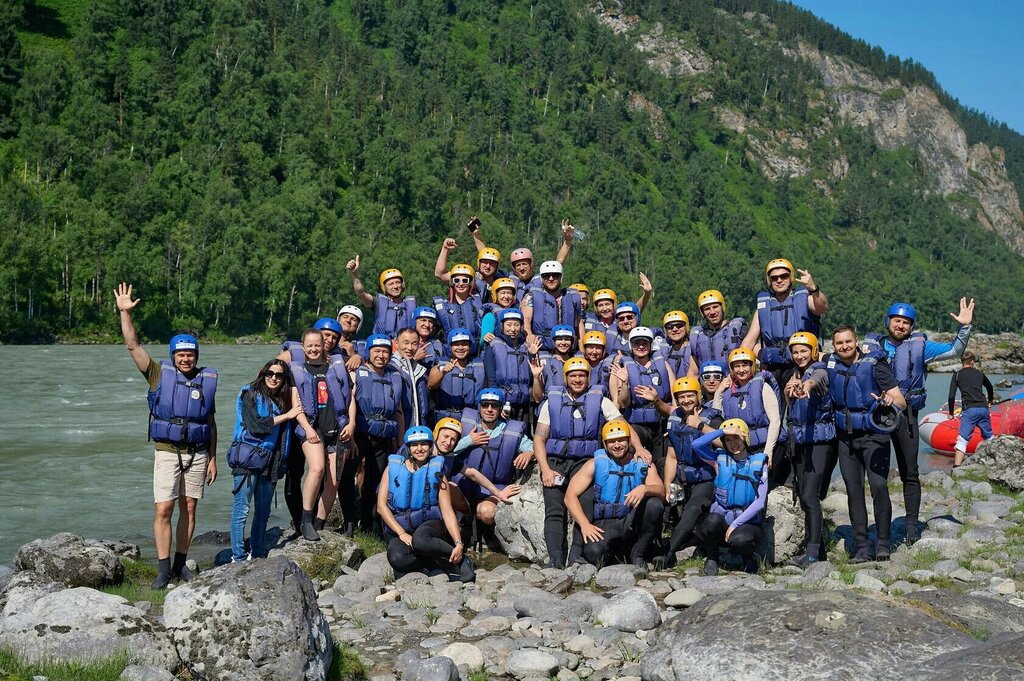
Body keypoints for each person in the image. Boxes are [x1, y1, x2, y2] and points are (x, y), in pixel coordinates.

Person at [115, 282, 218, 588]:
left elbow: (211, 422)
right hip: (167, 450)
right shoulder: (158, 374)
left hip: (198, 452)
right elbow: (133, 346)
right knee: (164, 508)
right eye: (181, 355)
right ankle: (162, 569)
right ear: (173, 356)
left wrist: (213, 458)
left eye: (190, 355)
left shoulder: (206, 380)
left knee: (190, 507)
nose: (186, 359)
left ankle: (180, 564)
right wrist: (124, 313)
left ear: (196, 356)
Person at [866, 298, 974, 543]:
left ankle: (911, 525)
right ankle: (881, 529)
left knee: (910, 471)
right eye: (897, 321)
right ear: (888, 322)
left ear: (911, 326)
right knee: (878, 477)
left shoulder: (921, 347)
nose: (901, 326)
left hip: (907, 416)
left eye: (906, 322)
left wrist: (965, 327)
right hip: (878, 416)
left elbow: (955, 351)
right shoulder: (872, 347)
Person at [533, 357, 651, 567]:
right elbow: (539, 439)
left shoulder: (601, 401)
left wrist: (639, 448)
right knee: (554, 509)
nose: (578, 379)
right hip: (555, 461)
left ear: (588, 377)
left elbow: (623, 426)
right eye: (573, 375)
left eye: (582, 375)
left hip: (584, 461)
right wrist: (545, 469)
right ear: (566, 378)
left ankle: (576, 556)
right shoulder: (551, 402)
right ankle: (555, 559)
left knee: (586, 503)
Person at [825, 325, 906, 562]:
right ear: (834, 346)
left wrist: (888, 400)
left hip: (874, 435)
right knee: (853, 491)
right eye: (839, 343)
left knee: (879, 487)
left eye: (848, 341)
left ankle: (883, 544)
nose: (844, 346)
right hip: (846, 438)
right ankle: (861, 548)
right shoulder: (830, 365)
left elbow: (901, 401)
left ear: (856, 341)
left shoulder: (875, 365)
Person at [377, 427, 475, 582]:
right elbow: (381, 507)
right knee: (397, 558)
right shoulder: (392, 469)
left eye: (424, 444)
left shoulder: (437, 472)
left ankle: (460, 559)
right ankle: (435, 562)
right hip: (400, 528)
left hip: (428, 525)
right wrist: (401, 533)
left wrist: (458, 542)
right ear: (408, 448)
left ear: (430, 446)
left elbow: (447, 511)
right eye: (415, 445)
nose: (419, 448)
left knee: (420, 541)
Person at [227, 360, 302, 562]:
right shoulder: (250, 394)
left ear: (284, 379)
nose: (274, 378)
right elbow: (256, 426)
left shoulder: (283, 400)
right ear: (263, 373)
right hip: (248, 458)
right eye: (270, 373)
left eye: (279, 375)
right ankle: (238, 557)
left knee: (263, 512)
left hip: (271, 462)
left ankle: (258, 554)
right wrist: (287, 416)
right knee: (241, 510)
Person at [566, 420, 665, 568]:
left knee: (654, 504)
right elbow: (570, 496)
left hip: (632, 520)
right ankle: (617, 554)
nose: (617, 445)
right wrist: (585, 524)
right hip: (607, 521)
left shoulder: (644, 463)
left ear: (629, 441)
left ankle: (638, 553)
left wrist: (645, 488)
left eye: (621, 440)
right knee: (593, 553)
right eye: (612, 441)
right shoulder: (594, 463)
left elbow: (661, 492)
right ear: (605, 444)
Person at [290, 328, 355, 541]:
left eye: (317, 345)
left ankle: (320, 523)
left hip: (337, 428)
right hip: (312, 428)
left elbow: (350, 398)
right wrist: (308, 429)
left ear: (323, 345)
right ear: (303, 347)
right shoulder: (297, 371)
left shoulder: (337, 367)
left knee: (333, 482)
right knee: (317, 469)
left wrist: (352, 423)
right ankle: (306, 520)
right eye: (309, 346)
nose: (314, 349)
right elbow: (296, 406)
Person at [655, 377, 724, 569]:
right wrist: (668, 484)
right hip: (683, 475)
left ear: (698, 396)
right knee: (662, 501)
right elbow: (672, 456)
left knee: (693, 508)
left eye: (690, 396)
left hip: (706, 476)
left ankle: (668, 553)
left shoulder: (713, 417)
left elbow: (725, 443)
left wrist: (700, 425)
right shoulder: (675, 418)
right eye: (681, 397)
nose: (686, 400)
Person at [782, 332, 835, 567]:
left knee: (810, 496)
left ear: (813, 351)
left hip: (819, 442)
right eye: (795, 352)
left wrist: (807, 385)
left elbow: (817, 380)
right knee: (804, 497)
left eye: (804, 351)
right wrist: (789, 393)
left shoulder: (819, 370)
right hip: (800, 442)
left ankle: (812, 554)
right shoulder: (794, 375)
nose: (799, 355)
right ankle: (818, 550)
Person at [693, 419, 767, 576]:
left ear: (745, 438)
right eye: (728, 440)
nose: (733, 444)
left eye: (736, 438)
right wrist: (722, 431)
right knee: (710, 521)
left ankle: (748, 558)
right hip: (722, 519)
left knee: (740, 539)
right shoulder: (718, 461)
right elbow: (696, 445)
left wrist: (735, 524)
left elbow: (760, 502)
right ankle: (712, 557)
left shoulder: (759, 463)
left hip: (746, 523)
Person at [452, 388, 531, 534]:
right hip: (464, 484)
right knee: (446, 489)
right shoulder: (465, 426)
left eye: (494, 405)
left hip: (493, 488)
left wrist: (529, 453)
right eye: (485, 404)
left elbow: (533, 447)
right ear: (479, 406)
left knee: (487, 513)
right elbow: (443, 451)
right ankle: (463, 522)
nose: (489, 409)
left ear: (500, 408)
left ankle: (483, 530)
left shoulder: (511, 430)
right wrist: (468, 440)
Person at [349, 334, 405, 534]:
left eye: (385, 352)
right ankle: (349, 523)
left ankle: (369, 525)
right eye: (377, 351)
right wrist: (351, 436)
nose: (381, 355)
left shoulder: (394, 376)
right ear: (369, 352)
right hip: (360, 434)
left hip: (383, 437)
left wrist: (400, 440)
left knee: (376, 482)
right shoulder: (356, 373)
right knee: (348, 477)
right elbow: (349, 405)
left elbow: (398, 411)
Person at [742, 259, 827, 383]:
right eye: (774, 278)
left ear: (791, 277)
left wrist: (813, 288)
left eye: (784, 276)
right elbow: (749, 341)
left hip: (802, 363)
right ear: (769, 281)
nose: (779, 280)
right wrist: (742, 361)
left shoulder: (806, 299)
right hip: (773, 365)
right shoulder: (763, 307)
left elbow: (822, 307)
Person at [714, 348, 783, 486]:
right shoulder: (728, 392)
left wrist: (768, 451)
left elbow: (775, 421)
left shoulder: (763, 387)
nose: (741, 370)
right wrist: (719, 391)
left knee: (760, 486)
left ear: (752, 366)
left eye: (745, 365)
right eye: (737, 366)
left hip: (764, 446)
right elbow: (717, 416)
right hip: (741, 448)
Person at [610, 326, 674, 465]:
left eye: (645, 343)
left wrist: (672, 420)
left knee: (661, 462)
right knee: (640, 460)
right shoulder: (623, 367)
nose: (641, 346)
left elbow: (674, 398)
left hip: (661, 423)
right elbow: (623, 403)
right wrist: (625, 383)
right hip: (638, 425)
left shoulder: (663, 364)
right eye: (636, 343)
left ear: (651, 345)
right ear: (631, 345)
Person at [470, 218, 575, 302]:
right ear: (514, 268)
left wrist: (567, 241)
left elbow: (558, 263)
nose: (521, 268)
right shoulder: (507, 277)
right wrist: (476, 236)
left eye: (524, 264)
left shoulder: (541, 279)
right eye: (518, 265)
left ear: (531, 264)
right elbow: (487, 257)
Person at [482, 308, 536, 421]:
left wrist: (533, 355)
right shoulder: (493, 345)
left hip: (524, 404)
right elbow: (491, 378)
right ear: (502, 326)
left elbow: (533, 375)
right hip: (503, 403)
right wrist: (497, 403)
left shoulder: (526, 347)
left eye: (516, 325)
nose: (513, 329)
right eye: (509, 325)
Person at [346, 256, 416, 337]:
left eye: (398, 282)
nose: (395, 286)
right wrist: (355, 275)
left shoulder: (410, 304)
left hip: (406, 343)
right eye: (391, 284)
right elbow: (361, 293)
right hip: (383, 343)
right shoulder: (378, 303)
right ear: (384, 287)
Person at [522, 261, 584, 350]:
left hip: (567, 348)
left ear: (561, 277)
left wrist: (582, 350)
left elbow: (579, 324)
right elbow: (526, 319)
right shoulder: (531, 296)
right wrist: (529, 335)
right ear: (541, 278)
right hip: (542, 348)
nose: (551, 278)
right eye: (546, 275)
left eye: (555, 275)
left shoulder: (573, 298)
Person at [948, 351, 995, 467]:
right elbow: (990, 387)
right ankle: (995, 464)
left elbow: (951, 396)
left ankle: (956, 468)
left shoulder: (957, 375)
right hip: (983, 409)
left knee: (962, 440)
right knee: (989, 437)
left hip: (969, 410)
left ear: (962, 362)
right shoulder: (979, 373)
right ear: (972, 361)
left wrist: (951, 413)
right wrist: (990, 401)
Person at [429, 328, 486, 423]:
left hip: (471, 417)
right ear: (450, 346)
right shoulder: (440, 365)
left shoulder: (479, 366)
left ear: (470, 346)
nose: (460, 348)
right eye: (456, 344)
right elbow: (431, 385)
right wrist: (443, 373)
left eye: (464, 344)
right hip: (446, 418)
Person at [690, 289, 747, 368]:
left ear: (722, 307)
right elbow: (693, 371)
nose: (712, 312)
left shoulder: (739, 330)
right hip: (706, 376)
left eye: (715, 307)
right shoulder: (698, 337)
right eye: (707, 309)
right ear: (702, 313)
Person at [433, 263, 485, 342]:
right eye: (456, 280)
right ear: (452, 282)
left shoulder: (479, 302)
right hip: (450, 347)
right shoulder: (444, 305)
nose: (460, 284)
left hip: (474, 346)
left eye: (465, 280)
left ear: (471, 282)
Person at [392, 327, 431, 428]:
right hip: (398, 429)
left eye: (414, 344)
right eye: (406, 343)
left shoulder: (419, 370)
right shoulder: (389, 369)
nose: (410, 348)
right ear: (396, 343)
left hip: (417, 428)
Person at [531, 325, 577, 401]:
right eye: (559, 339)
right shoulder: (543, 362)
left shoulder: (579, 360)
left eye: (567, 339)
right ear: (553, 341)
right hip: (550, 403)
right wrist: (536, 377)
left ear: (572, 342)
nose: (563, 342)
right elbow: (537, 399)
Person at [279, 317, 344, 365]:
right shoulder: (291, 355)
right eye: (327, 335)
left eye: (334, 338)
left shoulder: (338, 360)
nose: (330, 340)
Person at [479, 277, 518, 346]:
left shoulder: (517, 314)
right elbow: (482, 342)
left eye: (509, 293)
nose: (506, 296)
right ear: (495, 295)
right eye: (503, 293)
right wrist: (485, 337)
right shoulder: (490, 316)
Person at [658, 310, 695, 379]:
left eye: (679, 326)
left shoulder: (695, 349)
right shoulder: (662, 350)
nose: (675, 329)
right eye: (670, 327)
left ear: (686, 327)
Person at [336, 305, 366, 371]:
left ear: (358, 325)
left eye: (353, 319)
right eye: (345, 317)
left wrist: (354, 355)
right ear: (338, 319)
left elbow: (369, 366)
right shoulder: (327, 338)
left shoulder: (362, 344)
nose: (348, 320)